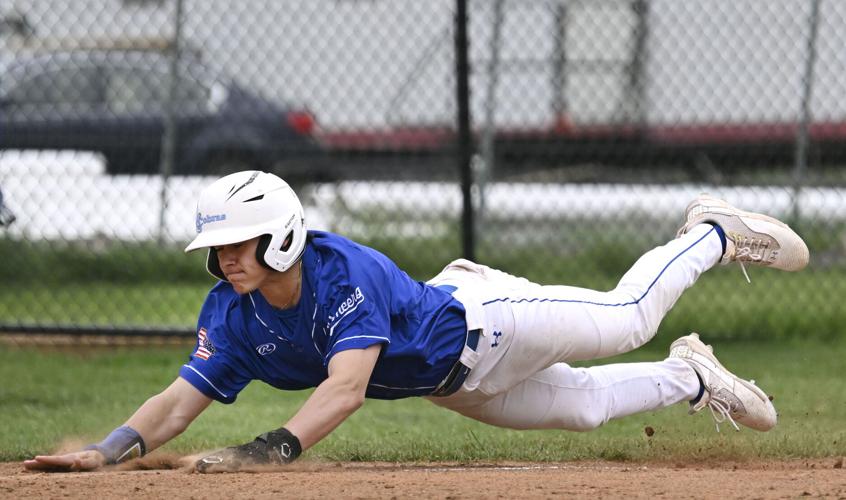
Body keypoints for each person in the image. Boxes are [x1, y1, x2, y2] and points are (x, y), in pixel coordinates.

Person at [24, 171, 809, 473]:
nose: (226, 259)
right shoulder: (231, 315)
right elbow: (176, 401)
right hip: (449, 382)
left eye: (239, 243)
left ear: (281, 236)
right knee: (587, 407)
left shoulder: (343, 275)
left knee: (627, 316)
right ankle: (692, 375)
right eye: (218, 248)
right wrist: (106, 451)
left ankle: (708, 231)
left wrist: (267, 451)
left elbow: (344, 391)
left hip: (488, 323)